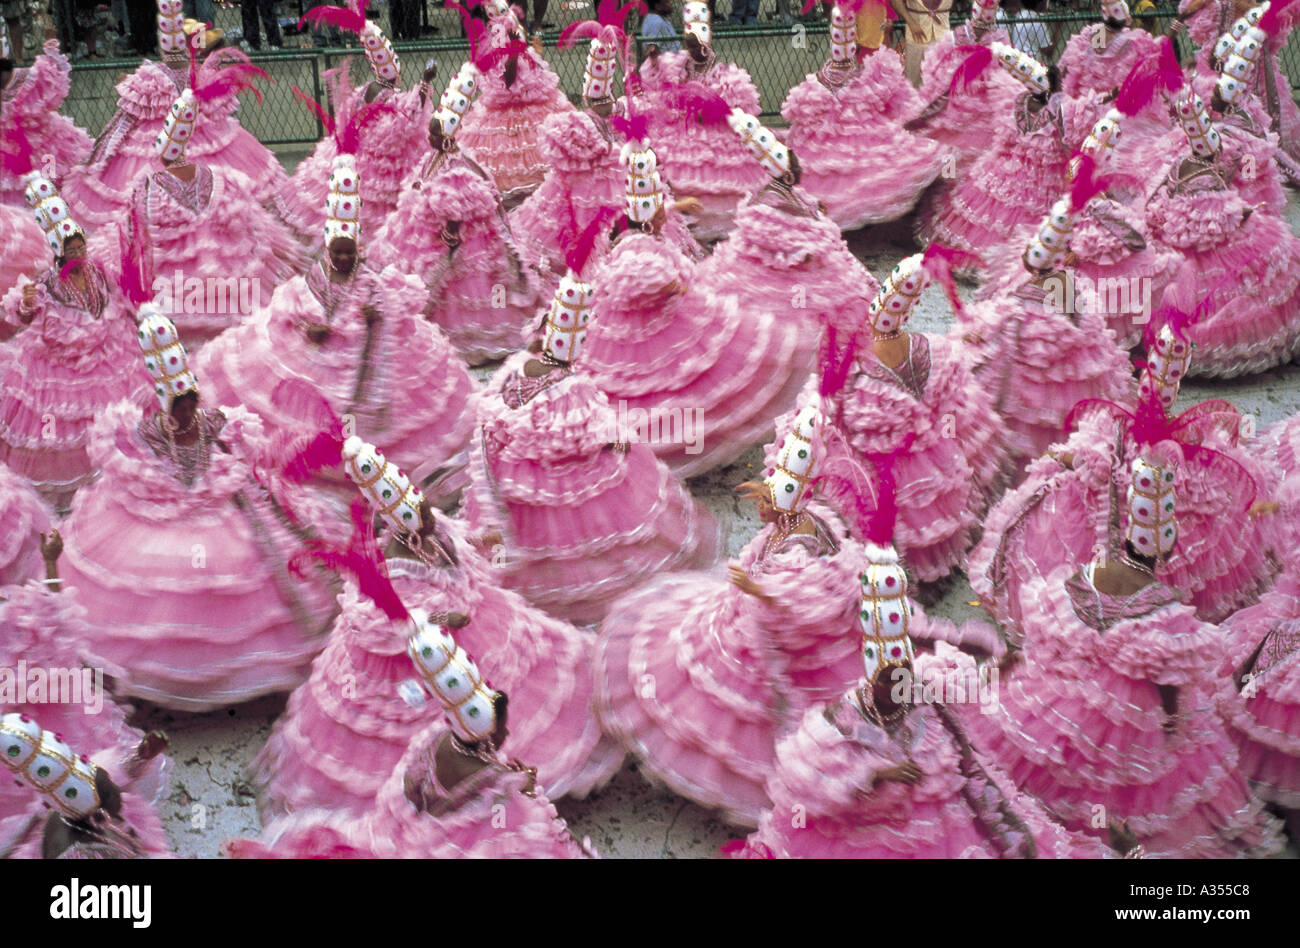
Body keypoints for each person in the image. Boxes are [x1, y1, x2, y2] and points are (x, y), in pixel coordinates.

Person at [0, 173, 141, 511]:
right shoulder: (47, 283)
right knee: (63, 427)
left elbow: (118, 293)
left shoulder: (97, 270)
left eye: (80, 243)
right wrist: (28, 301)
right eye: (71, 247)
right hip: (58, 367)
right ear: (60, 253)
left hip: (107, 353)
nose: (78, 250)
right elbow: (21, 316)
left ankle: (116, 468)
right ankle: (80, 484)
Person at [890, 0, 953, 86]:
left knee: (941, 80)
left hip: (942, 35)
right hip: (916, 35)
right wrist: (911, 23)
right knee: (913, 80)